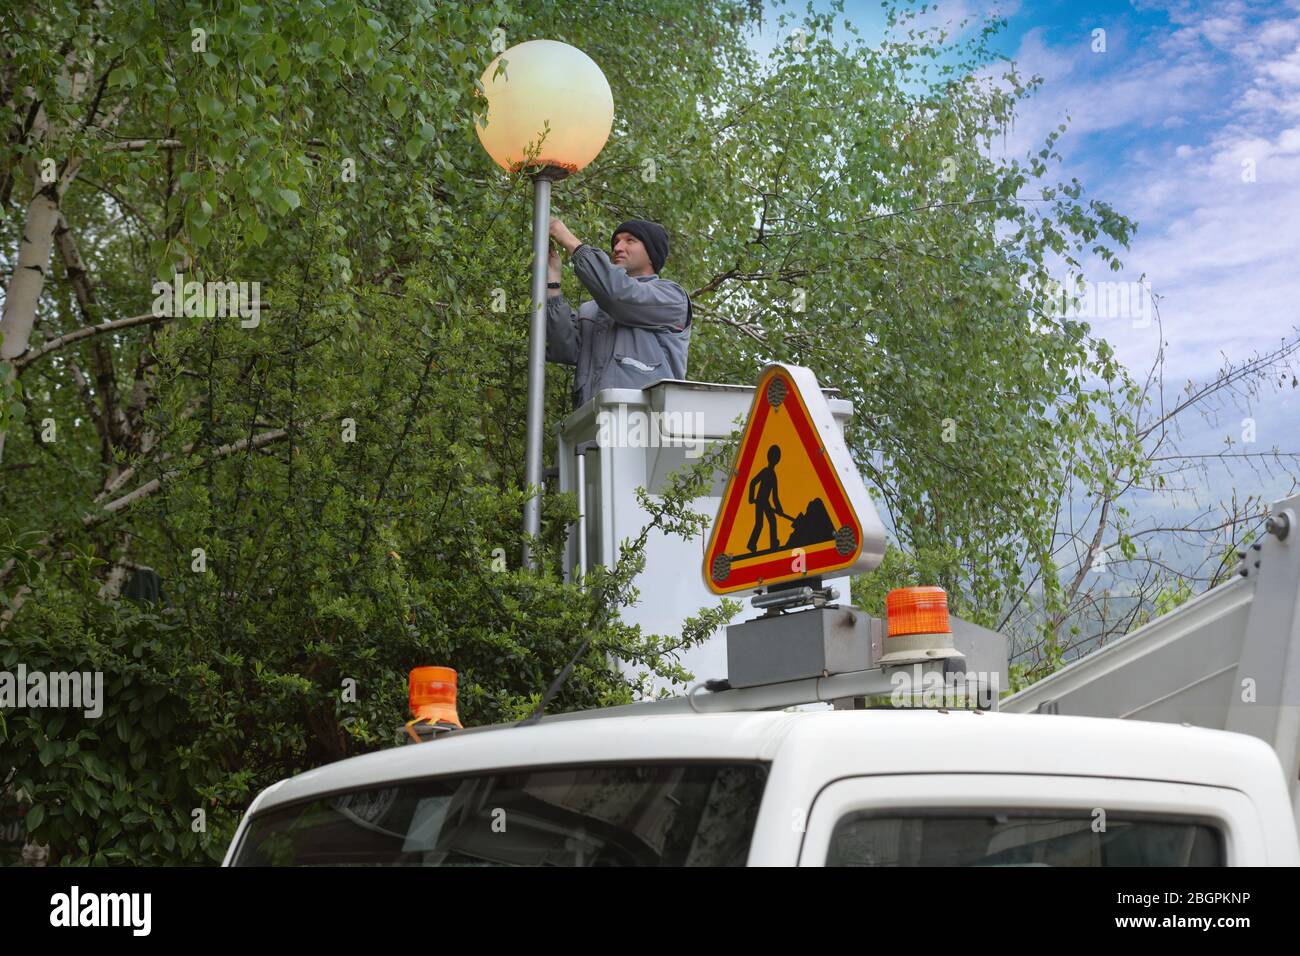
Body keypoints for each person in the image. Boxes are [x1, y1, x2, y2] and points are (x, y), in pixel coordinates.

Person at [545, 217, 692, 409]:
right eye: (616, 242)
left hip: (646, 428)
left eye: (630, 240)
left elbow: (619, 295)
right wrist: (552, 284)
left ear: (652, 253)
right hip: (590, 429)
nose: (618, 248)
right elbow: (563, 349)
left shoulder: (671, 298)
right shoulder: (591, 310)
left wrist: (569, 240)